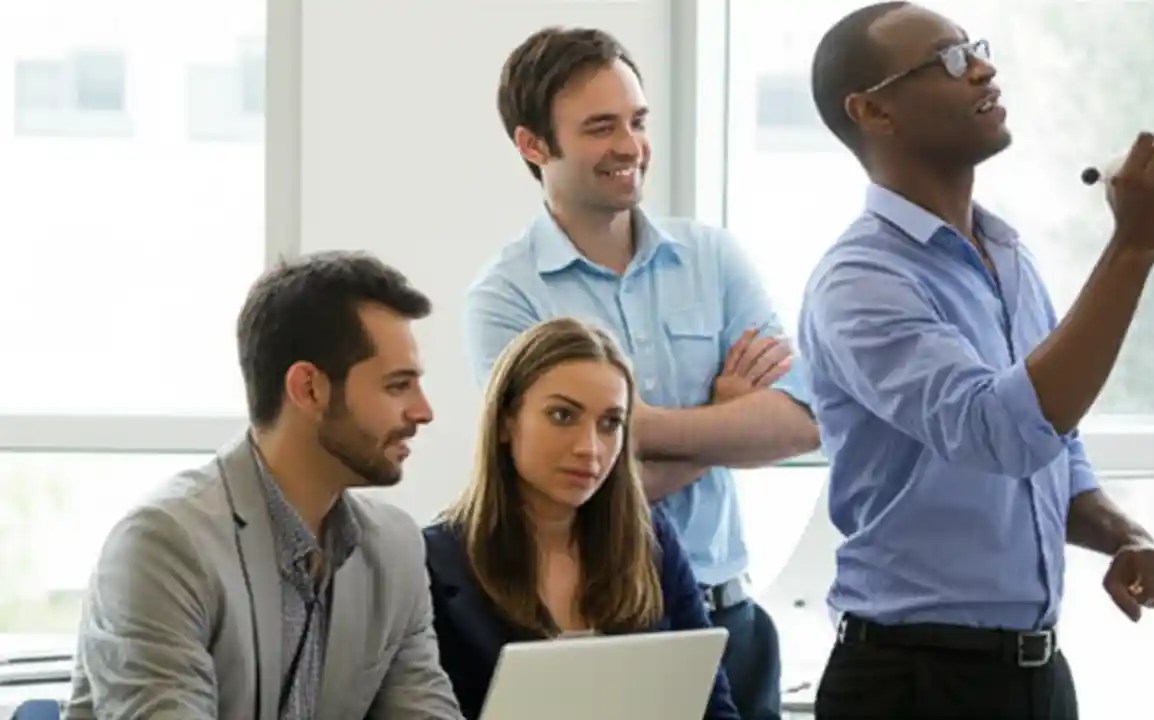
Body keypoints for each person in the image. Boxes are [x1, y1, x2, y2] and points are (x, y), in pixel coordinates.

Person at [800, 3, 1154, 717]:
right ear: (872, 112)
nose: (983, 69)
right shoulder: (860, 282)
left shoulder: (1007, 256)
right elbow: (999, 431)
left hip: (1035, 674)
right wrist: (1133, 249)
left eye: (974, 50)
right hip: (914, 683)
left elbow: (1054, 446)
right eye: (947, 61)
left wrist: (1121, 535)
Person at [463, 26, 819, 718]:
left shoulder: (714, 259)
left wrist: (641, 437)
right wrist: (721, 422)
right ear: (533, 145)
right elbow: (551, 485)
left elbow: (801, 424)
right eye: (601, 127)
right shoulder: (504, 297)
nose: (630, 145)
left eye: (637, 120)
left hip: (731, 619)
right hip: (600, 632)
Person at [64, 252, 463, 719]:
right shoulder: (163, 544)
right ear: (309, 388)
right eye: (398, 386)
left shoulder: (394, 548)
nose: (423, 411)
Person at [424, 317, 739, 719]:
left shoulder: (652, 543)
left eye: (610, 424)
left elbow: (713, 707)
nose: (589, 448)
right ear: (506, 421)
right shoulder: (433, 561)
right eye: (562, 416)